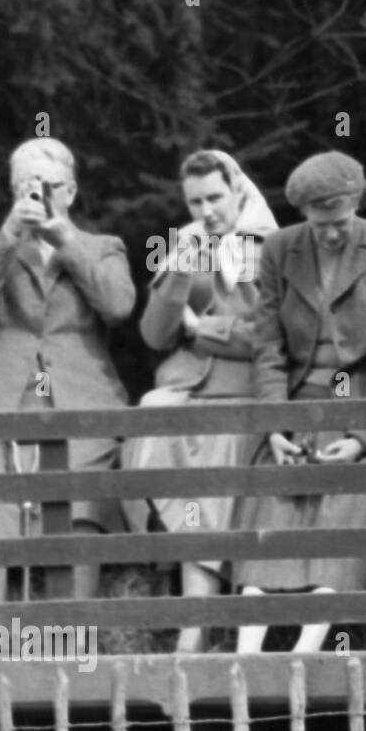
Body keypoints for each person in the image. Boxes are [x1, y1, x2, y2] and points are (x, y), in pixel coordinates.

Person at [233, 151, 366, 653]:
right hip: (295, 403)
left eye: (338, 222)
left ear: (356, 202)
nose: (330, 233)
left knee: (344, 508)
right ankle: (247, 653)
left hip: (357, 403)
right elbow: (267, 346)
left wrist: (362, 439)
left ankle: (305, 651)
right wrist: (274, 426)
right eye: (319, 224)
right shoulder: (279, 250)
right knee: (273, 507)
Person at [122, 150, 277, 649]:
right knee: (152, 415)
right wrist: (178, 280)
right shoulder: (184, 244)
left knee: (213, 453)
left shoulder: (273, 247)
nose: (206, 211)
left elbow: (274, 337)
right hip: (185, 389)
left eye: (214, 197)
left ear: (237, 189)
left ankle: (197, 620)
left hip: (243, 392)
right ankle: (197, 612)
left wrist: (203, 328)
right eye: (194, 202)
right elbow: (153, 335)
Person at [0, 137, 135, 602]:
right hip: (4, 394)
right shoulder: (2, 246)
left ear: (70, 192)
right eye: (24, 187)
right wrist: (11, 235)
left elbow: (118, 305)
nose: (34, 197)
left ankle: (70, 638)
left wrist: (65, 240)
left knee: (78, 498)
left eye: (46, 186)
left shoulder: (102, 245)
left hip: (80, 396)